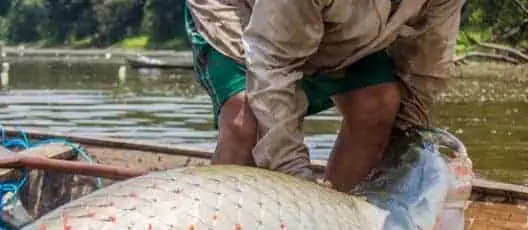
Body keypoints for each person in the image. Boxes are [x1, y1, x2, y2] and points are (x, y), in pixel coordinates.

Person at [185, 0, 464, 193]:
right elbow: (270, 63)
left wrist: (402, 168)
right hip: (238, 10)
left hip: (345, 22)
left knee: (379, 104)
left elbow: (424, 70)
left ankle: (340, 226)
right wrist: (296, 181)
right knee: (244, 122)